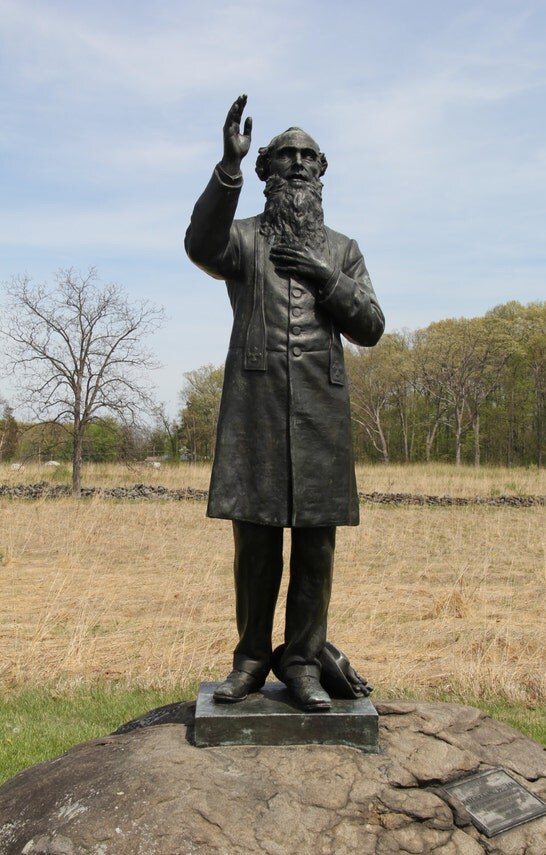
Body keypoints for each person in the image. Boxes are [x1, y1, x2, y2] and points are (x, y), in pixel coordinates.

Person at [185, 94, 384, 711]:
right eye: (285, 156)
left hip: (321, 416)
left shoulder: (342, 249)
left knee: (316, 548)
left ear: (321, 171)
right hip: (257, 410)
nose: (297, 165)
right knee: (256, 545)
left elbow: (372, 325)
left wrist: (328, 279)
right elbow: (200, 244)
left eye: (308, 157)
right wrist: (228, 168)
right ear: (267, 169)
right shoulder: (243, 241)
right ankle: (250, 659)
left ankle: (300, 663)